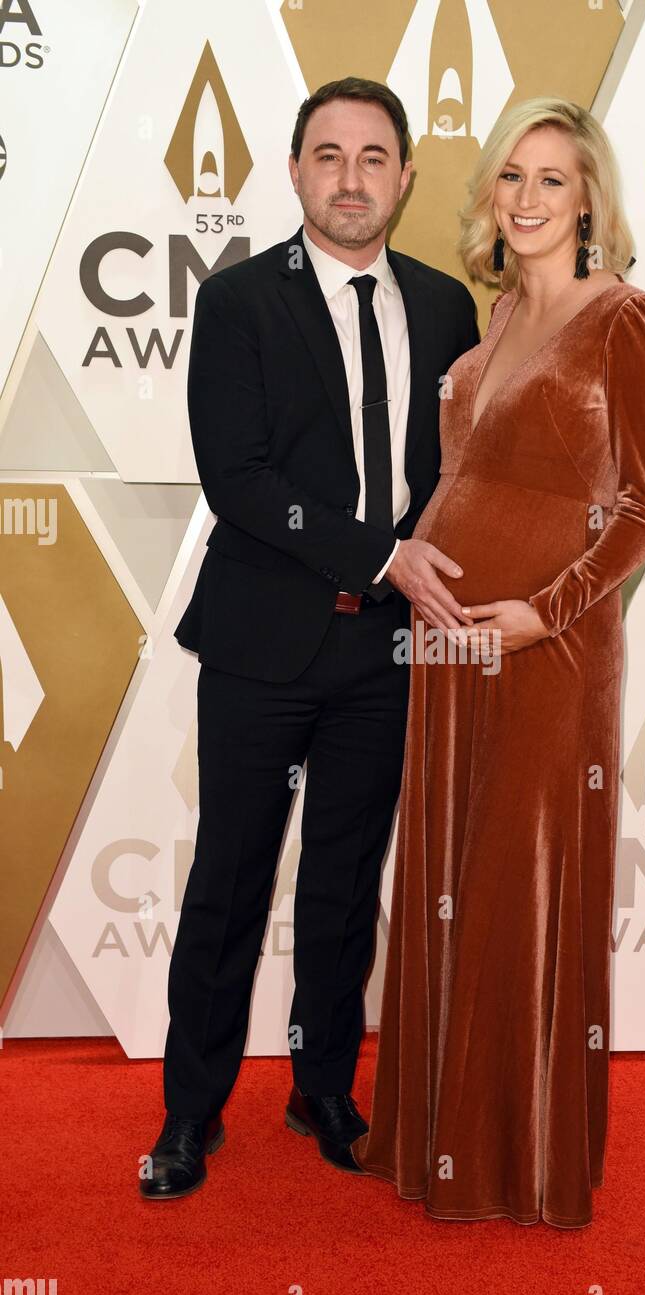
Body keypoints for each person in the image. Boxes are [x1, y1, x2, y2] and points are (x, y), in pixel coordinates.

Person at [139, 77, 479, 1200]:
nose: (349, 178)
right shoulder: (238, 301)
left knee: (343, 883)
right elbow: (237, 478)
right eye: (326, 155)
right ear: (293, 172)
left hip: (382, 654)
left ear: (403, 177)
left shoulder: (441, 308)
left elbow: (452, 477)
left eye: (372, 157)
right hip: (259, 646)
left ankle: (321, 1086)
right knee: (230, 881)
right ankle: (191, 1114)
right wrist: (376, 555)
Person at [351, 96, 645, 1228]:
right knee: (449, 882)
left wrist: (544, 614)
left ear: (588, 199)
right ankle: (445, 1137)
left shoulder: (625, 320)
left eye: (552, 180)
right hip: (450, 640)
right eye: (511, 177)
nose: (528, 198)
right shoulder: (490, 322)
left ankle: (520, 1154)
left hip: (544, 645)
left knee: (518, 879)